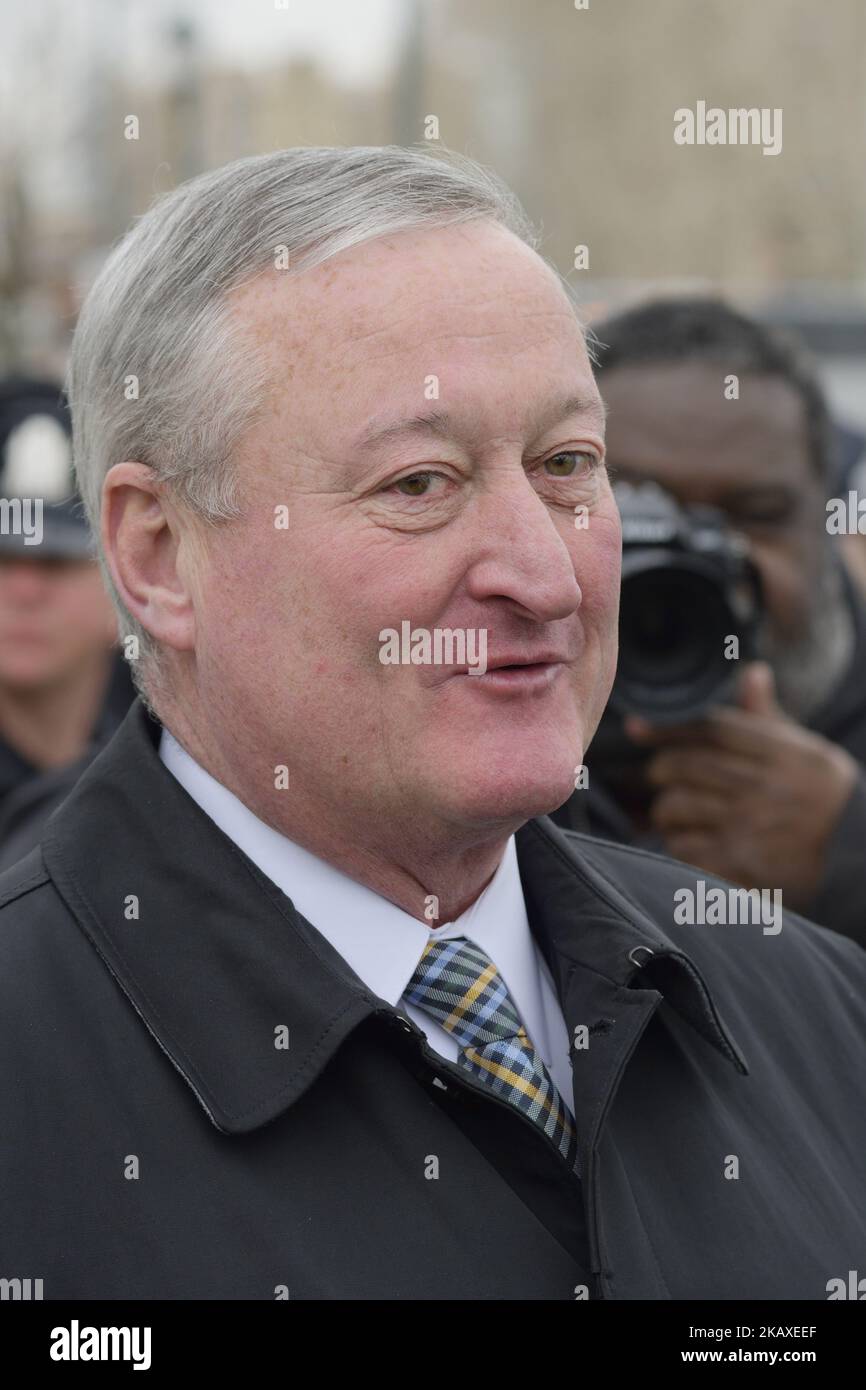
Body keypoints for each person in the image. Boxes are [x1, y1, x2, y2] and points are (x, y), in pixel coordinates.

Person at [0, 148, 864, 1301]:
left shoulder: (808, 1007)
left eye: (567, 465)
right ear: (158, 551)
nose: (544, 573)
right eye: (418, 483)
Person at [554, 299, 866, 948]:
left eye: (755, 514)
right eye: (643, 510)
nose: (703, 562)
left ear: (827, 524)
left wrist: (845, 856)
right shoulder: (467, 735)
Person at [0, 380, 133, 869]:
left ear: (125, 581)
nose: (25, 591)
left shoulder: (179, 765)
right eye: (3, 561)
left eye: (55, 563)